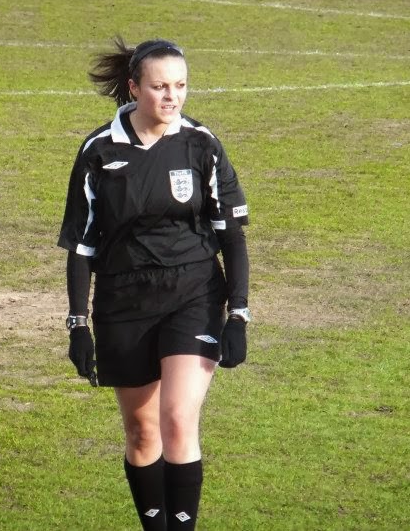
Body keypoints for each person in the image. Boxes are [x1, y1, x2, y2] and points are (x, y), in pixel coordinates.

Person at [58, 36, 251, 531]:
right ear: (134, 88)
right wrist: (78, 324)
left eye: (181, 85)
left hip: (194, 292)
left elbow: (231, 236)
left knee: (178, 421)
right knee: (143, 433)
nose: (172, 97)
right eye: (160, 86)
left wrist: (238, 315)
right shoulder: (100, 150)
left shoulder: (201, 144)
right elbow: (82, 246)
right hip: (123, 301)